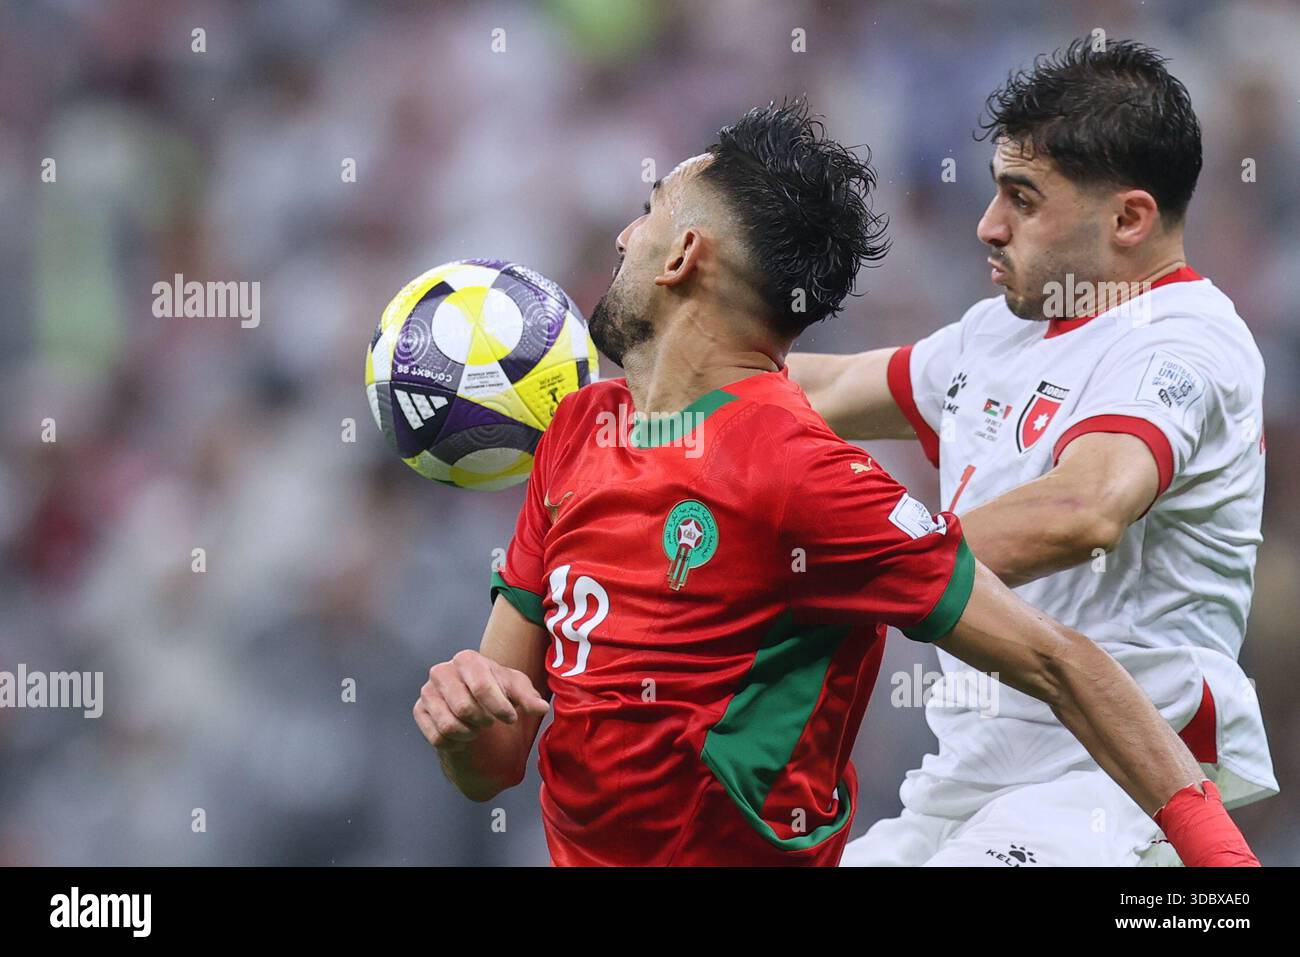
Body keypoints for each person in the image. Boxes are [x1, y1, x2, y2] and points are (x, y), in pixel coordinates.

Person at [414, 98, 1258, 867]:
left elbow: (1059, 651)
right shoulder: (581, 432)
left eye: (646, 216)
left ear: (682, 257)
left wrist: (1222, 868)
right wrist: (464, 718)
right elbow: (490, 764)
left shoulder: (809, 481)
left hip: (1086, 793)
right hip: (957, 786)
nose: (623, 239)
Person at [787, 40, 1277, 866]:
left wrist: (844, 571)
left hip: (1110, 792)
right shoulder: (1003, 329)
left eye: (1023, 197)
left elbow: (1082, 511)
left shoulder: (1186, 341)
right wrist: (618, 395)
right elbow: (820, 390)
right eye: (994, 191)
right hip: (967, 786)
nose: (989, 224)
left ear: (1129, 218)